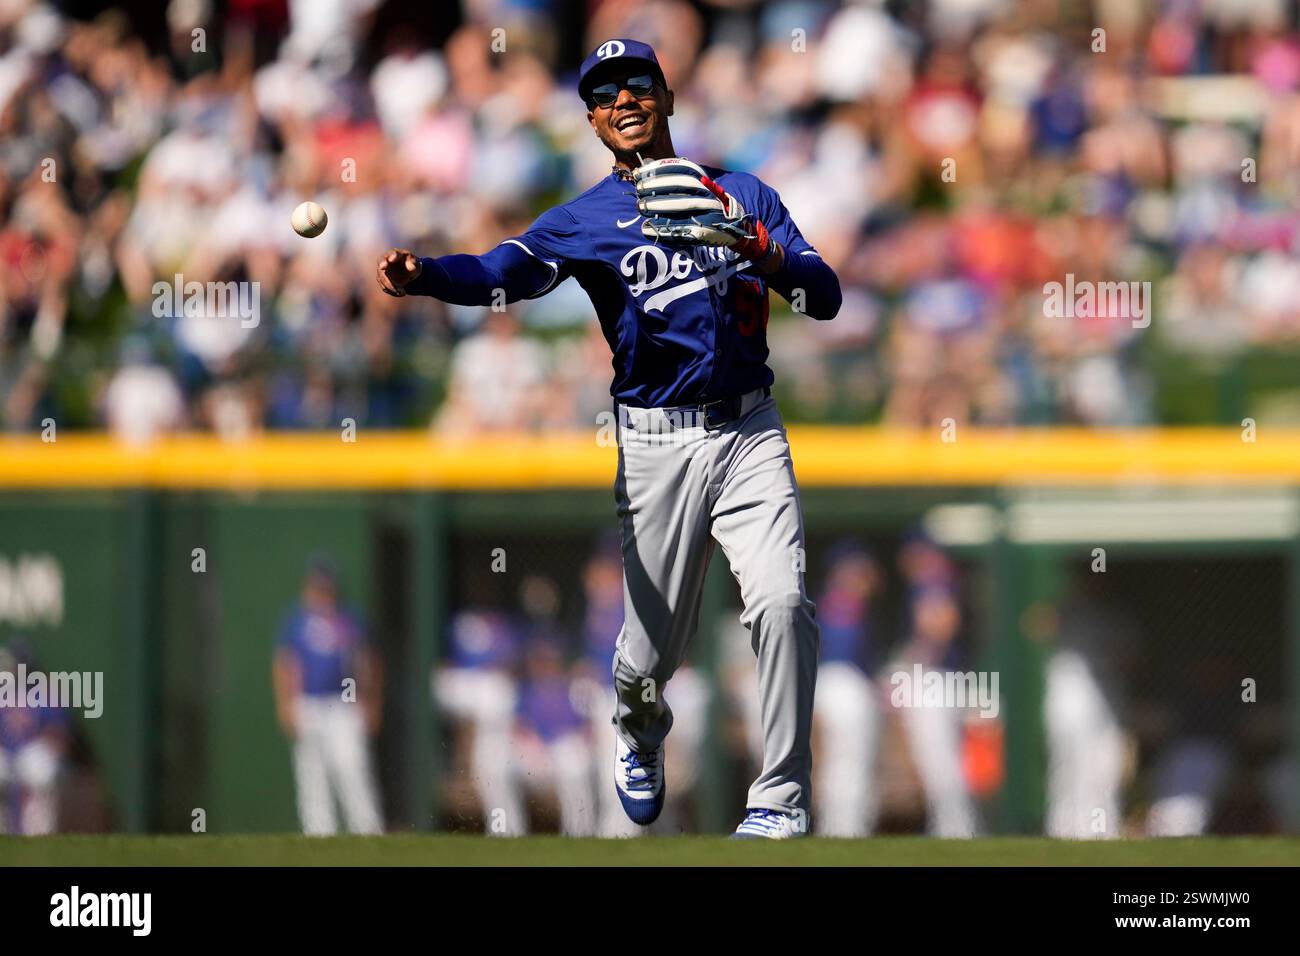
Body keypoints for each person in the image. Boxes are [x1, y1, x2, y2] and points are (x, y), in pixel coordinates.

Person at [377, 38, 841, 839]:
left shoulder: (741, 192)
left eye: (636, 84)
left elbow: (825, 296)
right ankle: (636, 723)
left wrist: (753, 245)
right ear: (591, 120)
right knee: (649, 661)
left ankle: (781, 800)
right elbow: (500, 274)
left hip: (749, 429)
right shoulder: (585, 219)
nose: (622, 100)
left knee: (783, 599)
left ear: (665, 94)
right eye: (603, 94)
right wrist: (426, 277)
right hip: (657, 444)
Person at [273, 556, 384, 835]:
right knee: (312, 774)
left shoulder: (351, 619)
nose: (321, 593)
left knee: (352, 766)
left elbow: (370, 663)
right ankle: (318, 832)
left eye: (325, 587)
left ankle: (366, 828)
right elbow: (285, 664)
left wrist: (371, 702)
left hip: (345, 704)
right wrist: (286, 704)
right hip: (308, 703)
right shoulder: (296, 621)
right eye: (316, 587)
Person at [813, 542, 884, 837]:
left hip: (828, 684)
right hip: (842, 684)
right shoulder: (842, 603)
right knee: (851, 761)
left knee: (840, 762)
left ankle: (838, 827)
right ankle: (847, 828)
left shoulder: (824, 602)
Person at [0, 641, 68, 835]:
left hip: (31, 755)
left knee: (39, 768)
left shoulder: (45, 694)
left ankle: (38, 834)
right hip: (6, 754)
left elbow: (58, 735)